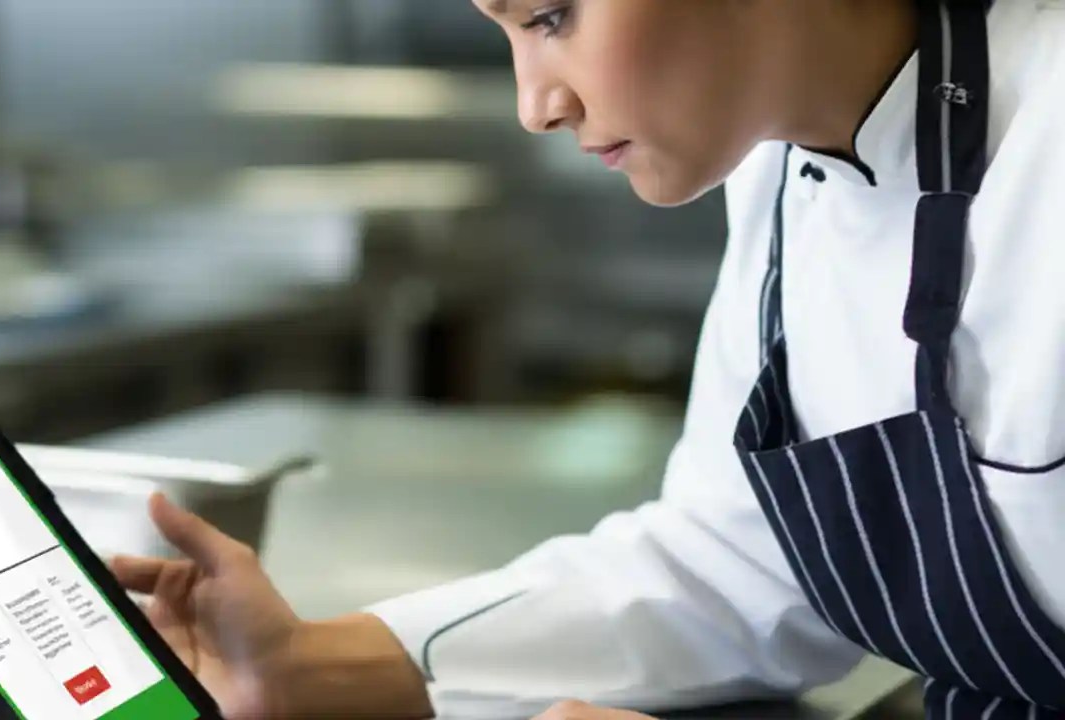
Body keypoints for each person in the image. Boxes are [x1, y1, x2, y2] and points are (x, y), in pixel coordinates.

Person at [112, 1, 1065, 717]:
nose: (536, 103)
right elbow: (737, 564)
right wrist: (313, 664)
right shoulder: (782, 170)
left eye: (553, 16)